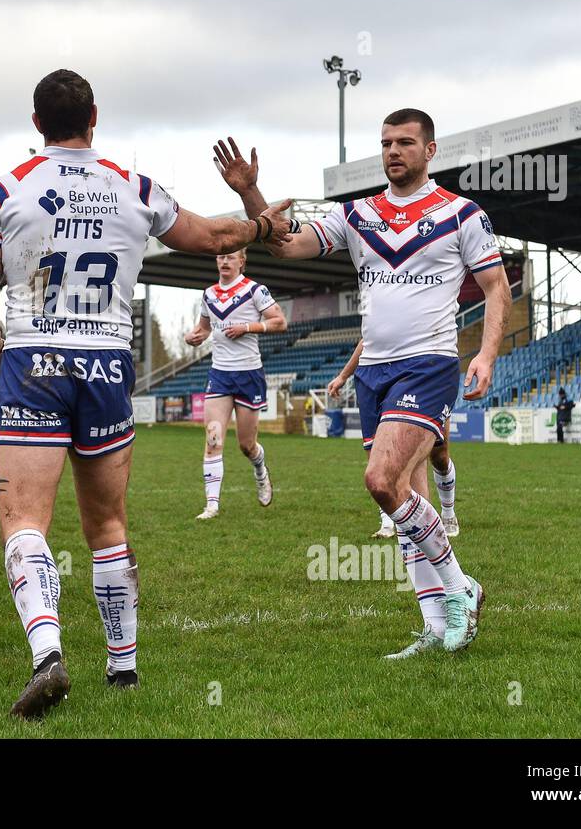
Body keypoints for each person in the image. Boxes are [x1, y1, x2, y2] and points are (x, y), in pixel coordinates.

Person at [0, 69, 291, 718]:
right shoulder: (132, 186)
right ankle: (124, 666)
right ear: (95, 117)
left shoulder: (7, 188)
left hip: (37, 361)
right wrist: (258, 221)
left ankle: (49, 653)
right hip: (108, 364)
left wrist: (2, 357)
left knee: (25, 520)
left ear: (36, 124)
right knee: (107, 523)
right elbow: (216, 237)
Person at [214, 110, 511, 657]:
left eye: (404, 142)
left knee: (381, 481)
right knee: (408, 500)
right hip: (373, 371)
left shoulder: (462, 214)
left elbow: (496, 288)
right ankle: (435, 625)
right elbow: (287, 243)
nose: (393, 151)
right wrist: (253, 194)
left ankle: (460, 588)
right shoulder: (358, 214)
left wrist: (487, 355)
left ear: (430, 150)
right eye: (386, 144)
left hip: (428, 365)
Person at [182, 249, 287, 520]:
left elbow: (279, 322)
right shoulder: (208, 294)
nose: (225, 261)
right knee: (213, 437)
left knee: (246, 444)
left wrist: (248, 327)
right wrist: (194, 337)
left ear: (242, 261)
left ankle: (260, 470)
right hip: (220, 374)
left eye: (231, 257)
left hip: (249, 374)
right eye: (220, 257)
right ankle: (212, 505)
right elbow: (203, 329)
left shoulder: (255, 290)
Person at [329, 339, 459, 538]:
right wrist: (343, 375)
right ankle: (388, 521)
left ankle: (447, 513)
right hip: (372, 372)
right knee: (374, 451)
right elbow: (367, 336)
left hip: (419, 366)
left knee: (438, 456)